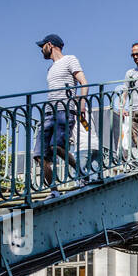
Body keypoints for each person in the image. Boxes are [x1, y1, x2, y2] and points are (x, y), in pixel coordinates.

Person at [33, 34, 87, 190]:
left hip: (65, 110)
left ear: (49, 45)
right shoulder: (50, 68)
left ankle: (81, 173)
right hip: (49, 112)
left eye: (42, 46)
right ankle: (53, 190)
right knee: (39, 155)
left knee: (57, 147)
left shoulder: (70, 60)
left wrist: (81, 104)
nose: (41, 50)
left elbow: (84, 82)